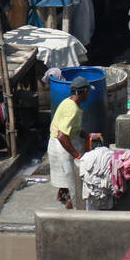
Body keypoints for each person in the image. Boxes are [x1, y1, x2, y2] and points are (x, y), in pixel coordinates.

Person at [48, 75, 89, 210]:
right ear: (84, 92)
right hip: (61, 147)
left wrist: (87, 135)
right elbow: (62, 135)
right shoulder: (73, 109)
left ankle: (61, 197)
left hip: (53, 144)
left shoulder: (67, 101)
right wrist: (76, 154)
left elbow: (74, 128)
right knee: (74, 185)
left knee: (65, 178)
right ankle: (70, 212)